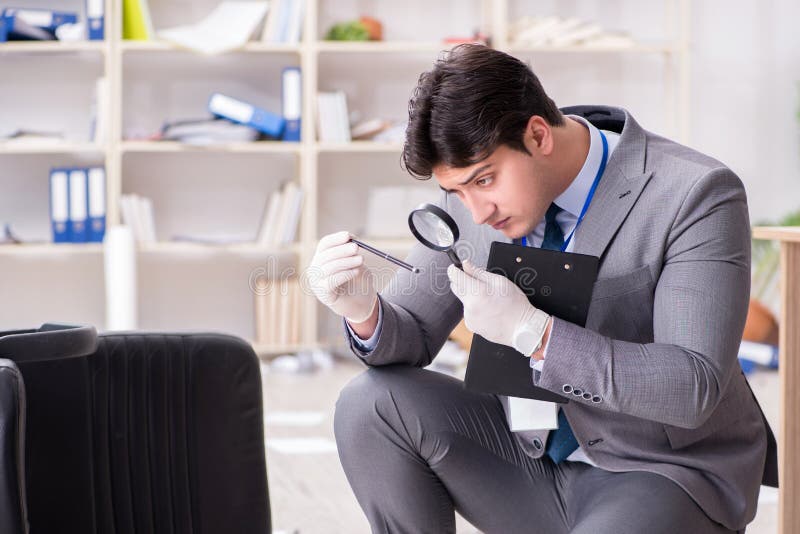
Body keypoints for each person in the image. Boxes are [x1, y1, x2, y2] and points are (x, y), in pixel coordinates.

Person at [308, 44, 776, 534]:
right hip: (527, 459)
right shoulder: (474, 198)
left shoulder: (694, 193)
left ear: (537, 135)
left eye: (484, 181)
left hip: (661, 470)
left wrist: (534, 331)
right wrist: (362, 310)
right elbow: (413, 333)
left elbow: (692, 387)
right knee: (369, 405)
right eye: (456, 191)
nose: (476, 212)